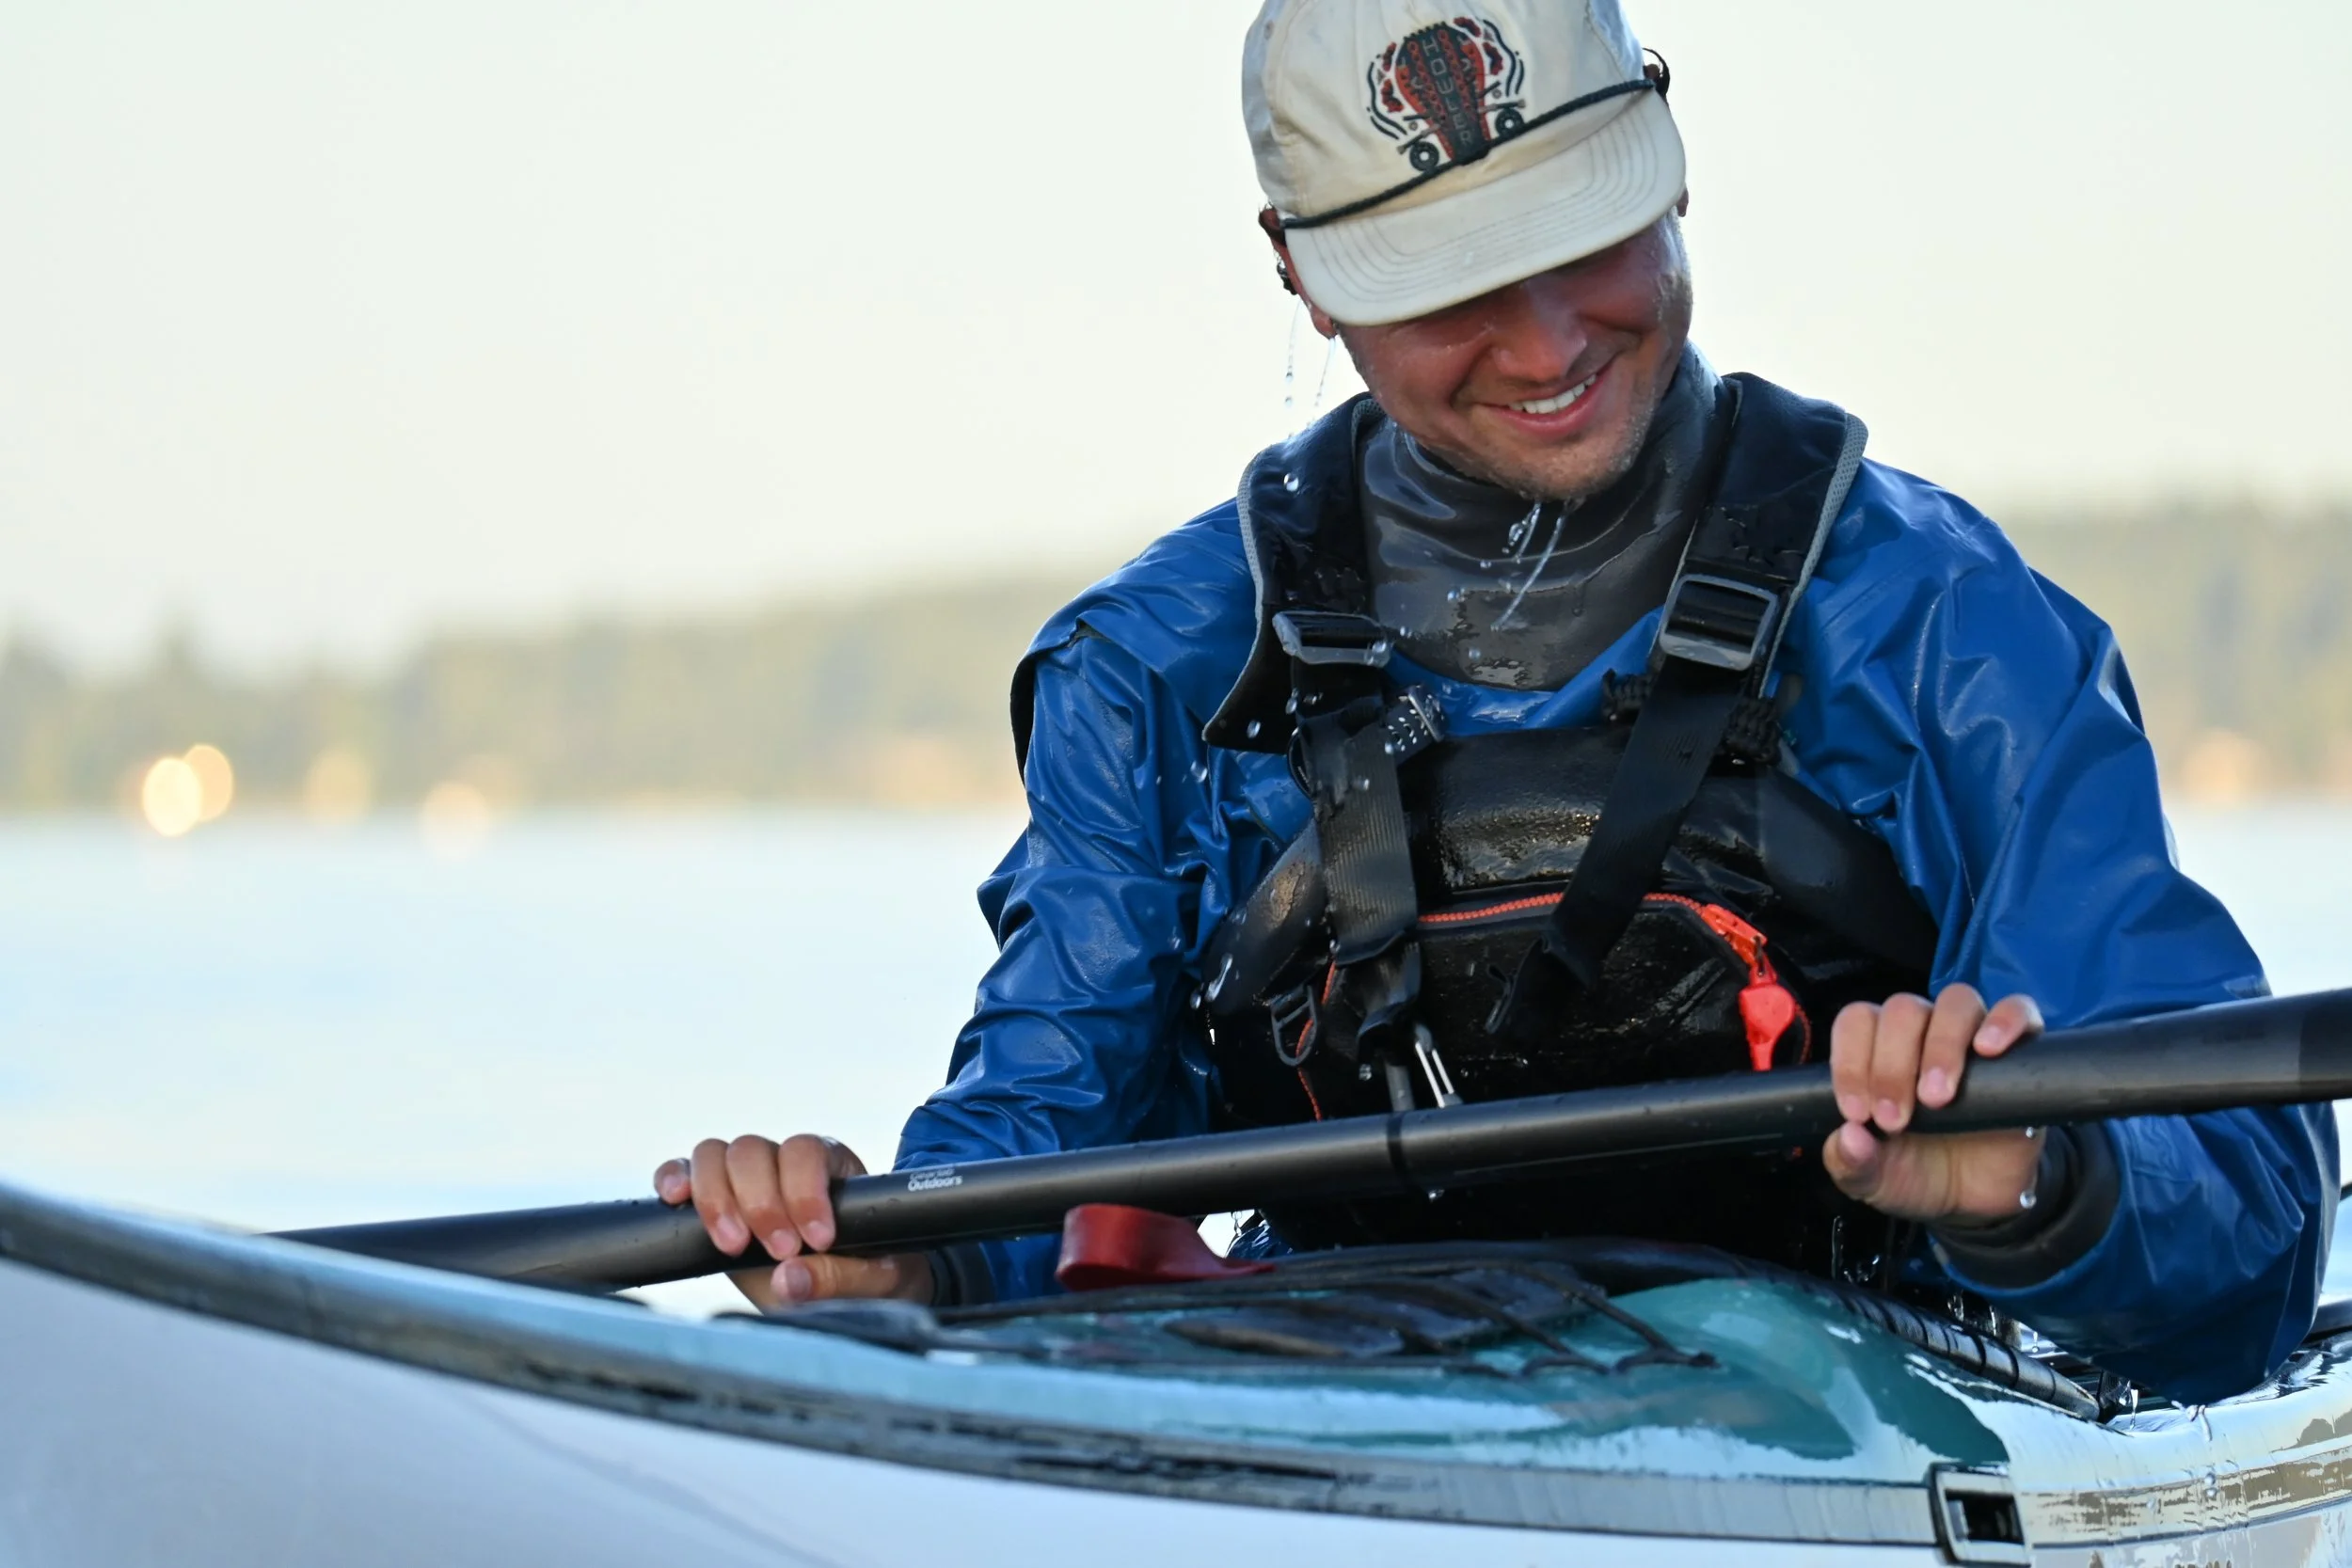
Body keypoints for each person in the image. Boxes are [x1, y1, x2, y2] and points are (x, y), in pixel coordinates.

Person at [653, 0, 2334, 1401]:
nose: (1544, 344)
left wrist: (2031, 1180)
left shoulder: (1945, 626)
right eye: (1452, 281)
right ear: (1301, 274)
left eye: (1584, 236)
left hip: (1881, 1397)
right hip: (1342, 1406)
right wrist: (892, 1251)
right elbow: (1031, 1139)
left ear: (1669, 165)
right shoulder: (1158, 670)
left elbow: (2248, 1250)